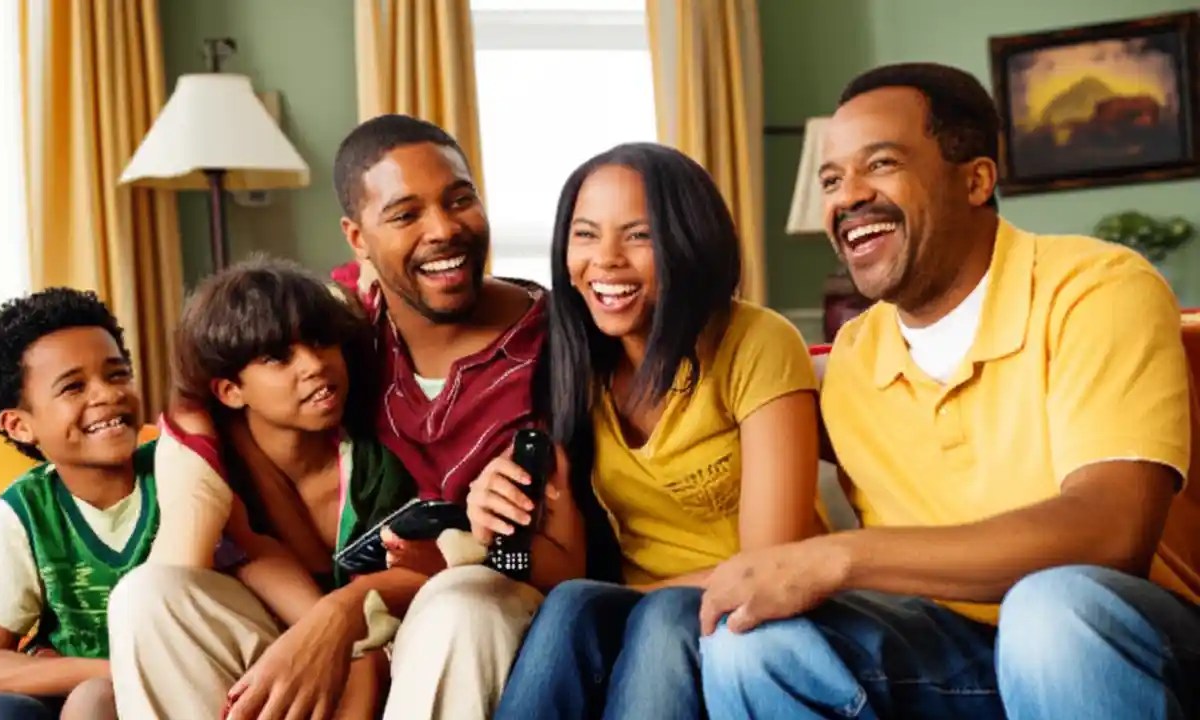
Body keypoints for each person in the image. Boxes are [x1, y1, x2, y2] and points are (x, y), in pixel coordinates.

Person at [698, 62, 1200, 720]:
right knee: (747, 642)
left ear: (976, 179)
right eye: (831, 179)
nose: (847, 197)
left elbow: (1112, 529)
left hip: (1112, 645)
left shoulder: (1096, 289)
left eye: (879, 164)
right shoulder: (850, 356)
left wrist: (839, 558)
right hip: (953, 656)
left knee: (1047, 612)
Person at [109, 114, 587, 720]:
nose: (442, 229)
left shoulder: (559, 348)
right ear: (358, 240)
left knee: (460, 602)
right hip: (337, 611)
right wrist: (321, 623)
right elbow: (206, 379)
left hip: (457, 607)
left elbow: (558, 558)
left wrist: (350, 615)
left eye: (460, 199)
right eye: (405, 214)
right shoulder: (347, 324)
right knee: (149, 596)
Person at [493, 143, 821, 720]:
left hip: (763, 610)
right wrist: (500, 525)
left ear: (688, 242)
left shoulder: (758, 342)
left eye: (639, 236)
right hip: (645, 615)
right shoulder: (576, 366)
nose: (606, 260)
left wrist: (620, 602)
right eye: (586, 234)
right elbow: (564, 571)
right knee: (574, 602)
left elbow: (770, 562)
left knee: (652, 614)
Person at [109, 258, 420, 720]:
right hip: (264, 657)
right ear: (231, 390)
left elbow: (411, 585)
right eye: (278, 357)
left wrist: (333, 633)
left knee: (368, 662)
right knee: (143, 594)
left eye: (320, 342)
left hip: (376, 648)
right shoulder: (216, 463)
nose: (314, 365)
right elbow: (218, 563)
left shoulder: (375, 464)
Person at [0, 289, 154, 720]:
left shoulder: (178, 474)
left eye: (117, 375)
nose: (107, 395)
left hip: (165, 687)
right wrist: (114, 670)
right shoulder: (26, 510)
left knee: (97, 699)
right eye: (74, 386)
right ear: (19, 425)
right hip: (67, 687)